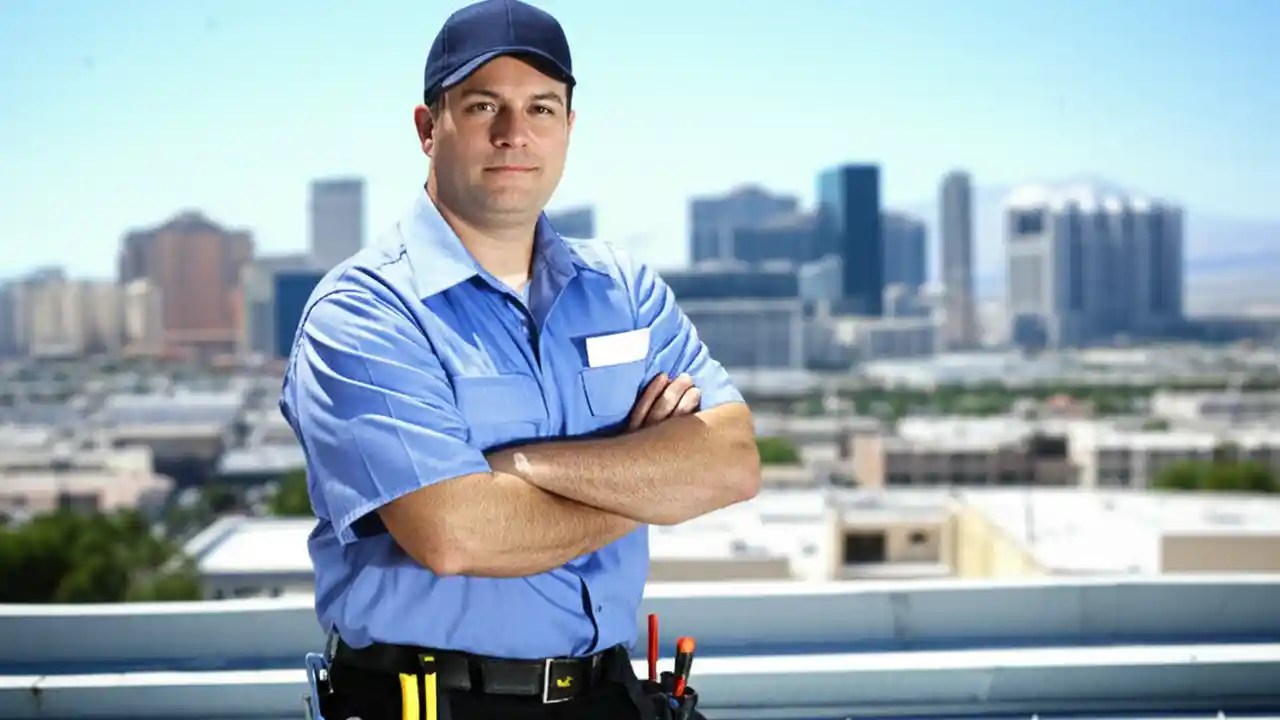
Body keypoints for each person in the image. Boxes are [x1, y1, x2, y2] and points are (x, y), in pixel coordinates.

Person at [278, 0, 761, 718]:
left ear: (569, 126)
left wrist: (521, 470)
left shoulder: (622, 291)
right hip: (428, 704)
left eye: (541, 108)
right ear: (426, 127)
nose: (514, 134)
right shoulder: (362, 313)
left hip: (612, 698)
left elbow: (731, 463)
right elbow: (454, 533)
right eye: (482, 107)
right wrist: (648, 477)